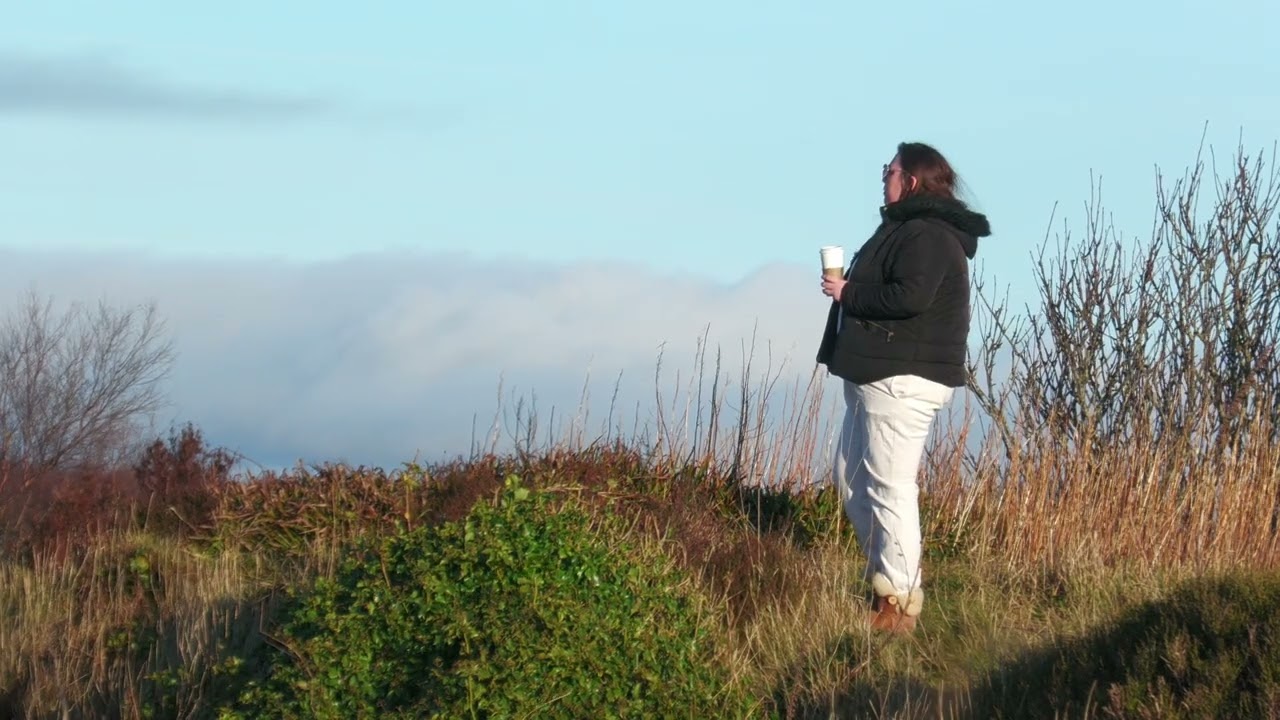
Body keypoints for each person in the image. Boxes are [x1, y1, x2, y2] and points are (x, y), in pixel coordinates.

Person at [816, 142, 990, 633]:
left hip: (902, 379)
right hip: (877, 373)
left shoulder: (929, 234)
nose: (883, 178)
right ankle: (888, 579)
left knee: (890, 488)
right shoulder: (908, 229)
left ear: (911, 181)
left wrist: (849, 291)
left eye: (889, 171)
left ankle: (899, 604)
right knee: (853, 480)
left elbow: (909, 297)